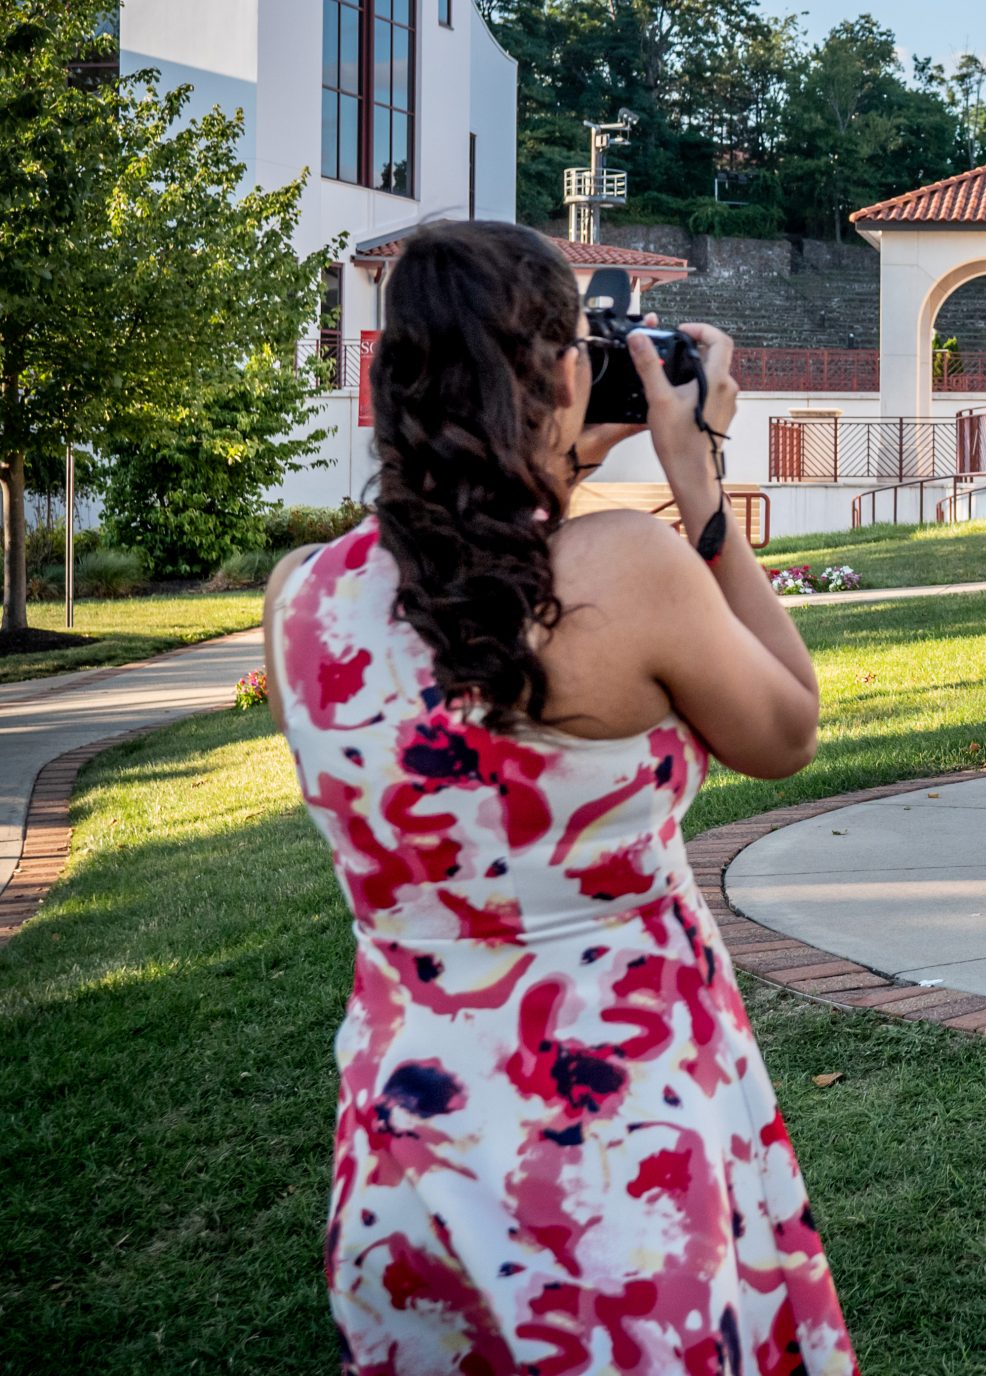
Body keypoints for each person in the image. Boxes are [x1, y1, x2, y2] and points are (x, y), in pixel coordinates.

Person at [261, 221, 856, 1375]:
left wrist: (554, 460)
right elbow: (785, 730)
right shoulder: (627, 569)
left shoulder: (300, 599)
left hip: (407, 1145)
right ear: (564, 371)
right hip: (619, 1142)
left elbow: (461, 602)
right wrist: (696, 478)